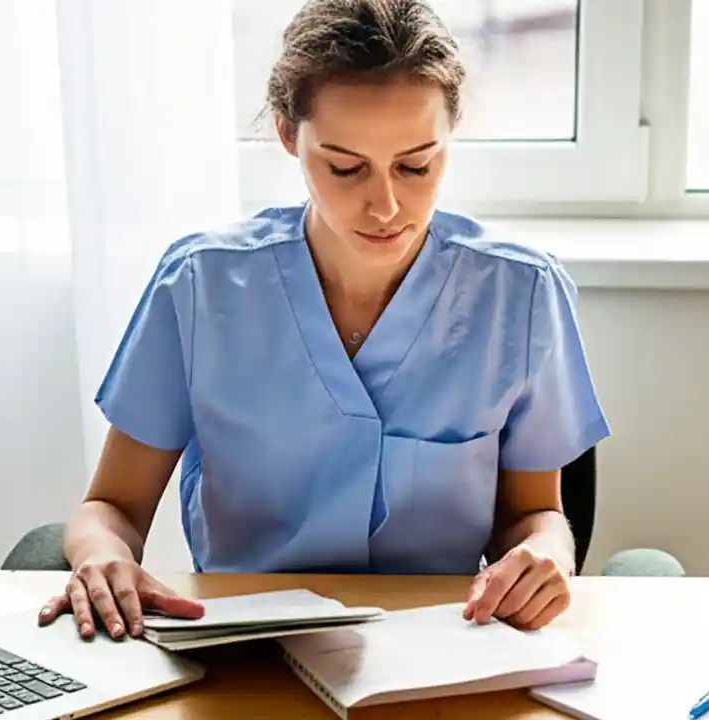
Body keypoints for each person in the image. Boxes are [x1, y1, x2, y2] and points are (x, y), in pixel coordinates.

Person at [38, 0, 610, 641]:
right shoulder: (199, 286)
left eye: (417, 165)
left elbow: (535, 516)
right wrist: (103, 555)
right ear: (288, 134)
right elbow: (110, 508)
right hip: (243, 653)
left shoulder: (520, 292)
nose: (387, 204)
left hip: (439, 652)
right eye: (346, 167)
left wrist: (547, 556)